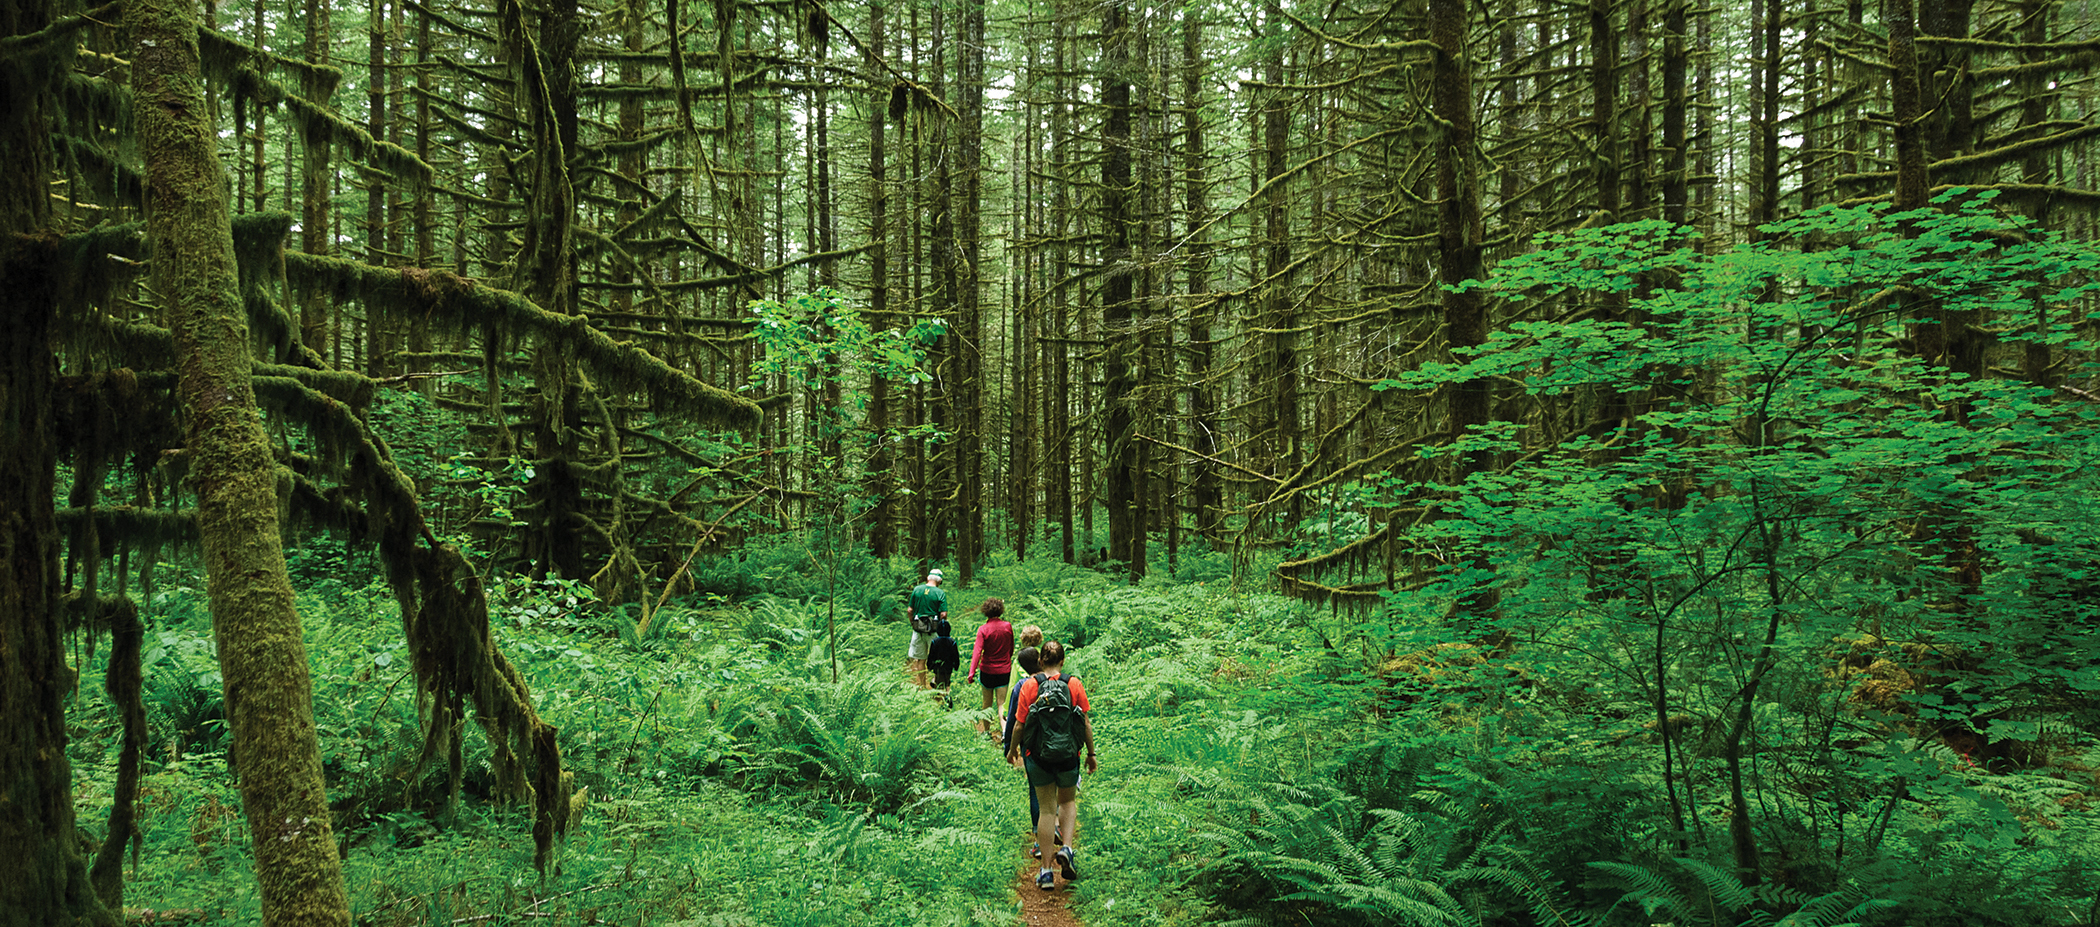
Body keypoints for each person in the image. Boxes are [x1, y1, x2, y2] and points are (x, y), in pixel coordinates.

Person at [1007, 640, 1096, 890]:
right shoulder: (1073, 684)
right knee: (1067, 802)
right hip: (1068, 756)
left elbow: (1020, 725)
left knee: (1047, 811)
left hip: (1039, 757)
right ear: (1062, 661)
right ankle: (1066, 848)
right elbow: (1085, 723)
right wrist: (1091, 754)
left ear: (1040, 661)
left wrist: (1013, 750)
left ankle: (1045, 871)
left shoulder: (1030, 686)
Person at [1002, 645, 1062, 858]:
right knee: (1057, 786)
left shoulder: (1022, 686)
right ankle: (1057, 824)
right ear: (1040, 660)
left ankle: (1039, 839)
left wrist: (1010, 748)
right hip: (1060, 741)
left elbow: (1014, 721)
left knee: (1037, 790)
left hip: (1033, 746)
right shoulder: (1061, 681)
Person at [966, 598, 1014, 735]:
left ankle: (986, 732)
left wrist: (971, 672)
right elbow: (1010, 647)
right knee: (1001, 703)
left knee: (986, 703)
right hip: (1004, 670)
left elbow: (977, 652)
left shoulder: (983, 629)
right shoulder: (1007, 626)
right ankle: (1004, 731)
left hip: (987, 671)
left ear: (986, 612)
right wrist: (1006, 660)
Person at [904, 569, 947, 687]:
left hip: (918, 629)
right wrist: (942, 627)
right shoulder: (940, 593)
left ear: (928, 578)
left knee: (920, 659)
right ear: (939, 581)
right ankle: (935, 680)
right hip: (934, 630)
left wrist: (913, 623)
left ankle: (922, 686)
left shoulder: (917, 590)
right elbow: (943, 614)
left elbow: (910, 610)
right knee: (939, 658)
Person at [927, 618, 961, 705]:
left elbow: (931, 655)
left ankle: (942, 700)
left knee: (940, 682)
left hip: (938, 667)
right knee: (947, 681)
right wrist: (956, 665)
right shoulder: (952, 642)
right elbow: (955, 655)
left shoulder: (935, 642)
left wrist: (929, 665)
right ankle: (946, 696)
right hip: (948, 667)